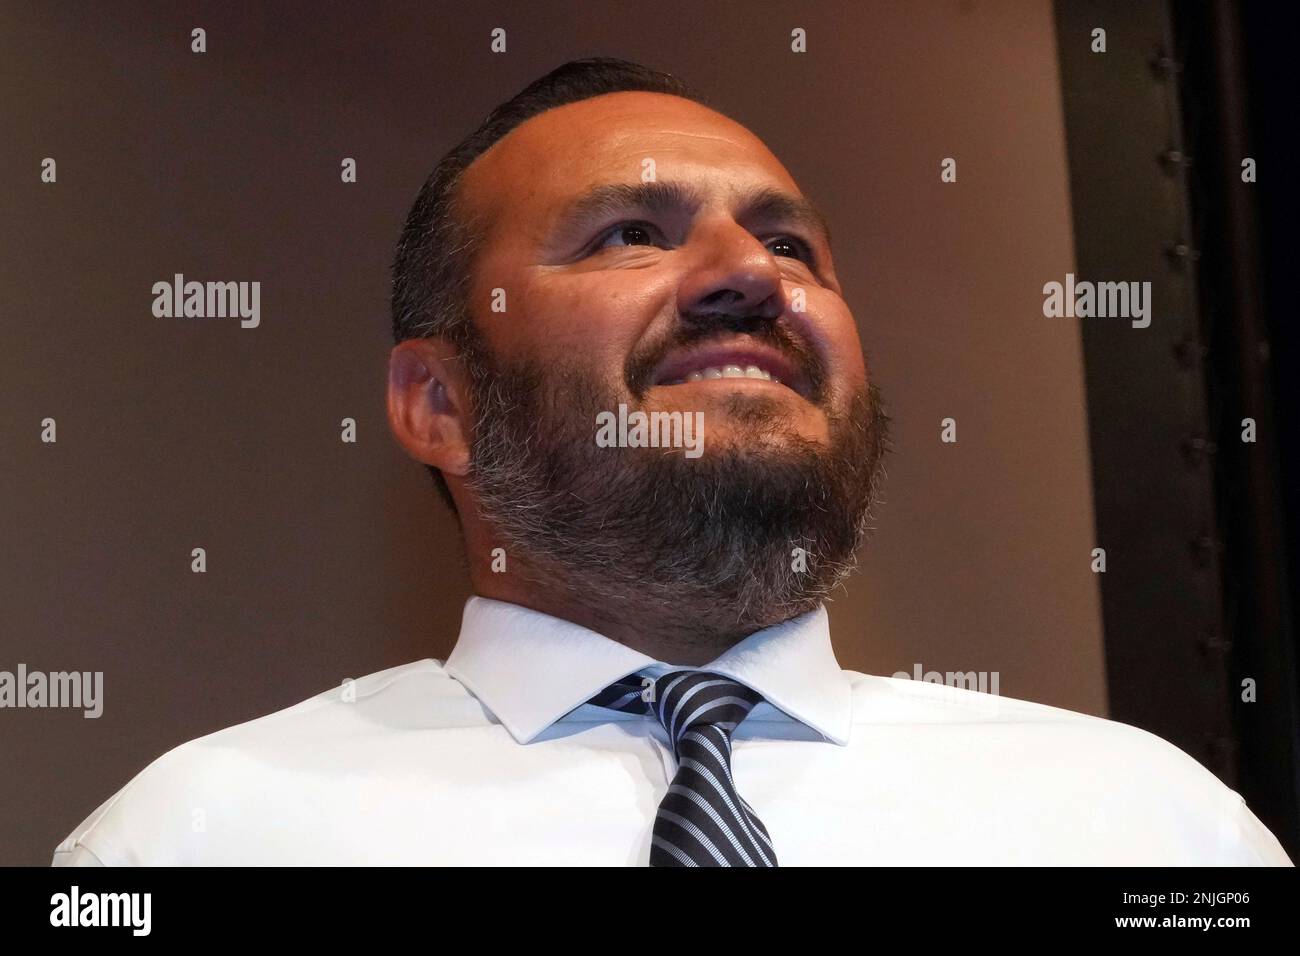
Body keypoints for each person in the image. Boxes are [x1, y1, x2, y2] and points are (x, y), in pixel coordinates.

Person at [52, 58, 1292, 866]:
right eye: (629, 234)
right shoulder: (195, 837)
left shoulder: (1156, 828)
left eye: (791, 243)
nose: (754, 275)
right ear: (438, 401)